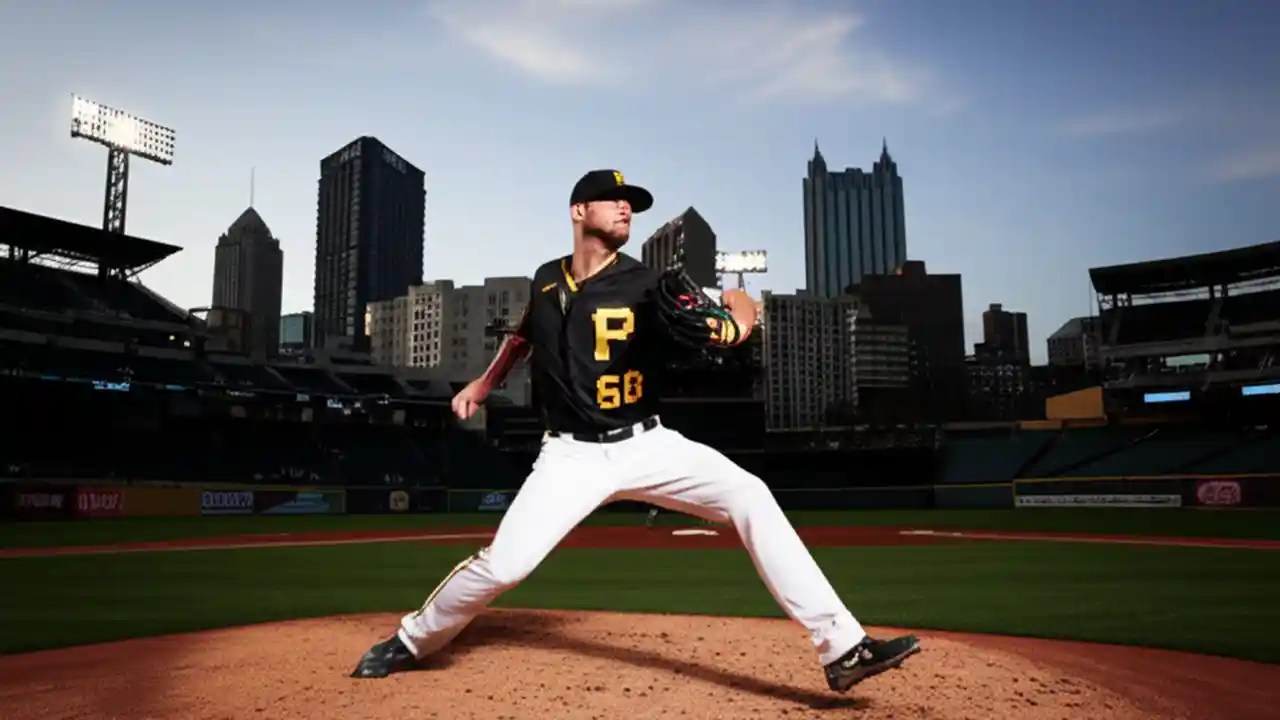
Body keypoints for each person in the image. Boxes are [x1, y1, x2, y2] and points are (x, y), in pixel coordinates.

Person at [350, 169, 921, 693]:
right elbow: (525, 334)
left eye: (632, 204)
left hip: (647, 444)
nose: (626, 208)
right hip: (569, 456)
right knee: (505, 566)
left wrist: (736, 313)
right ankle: (412, 639)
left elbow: (731, 318)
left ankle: (843, 648)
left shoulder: (646, 283)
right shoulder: (547, 279)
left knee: (751, 494)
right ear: (579, 211)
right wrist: (482, 382)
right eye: (614, 200)